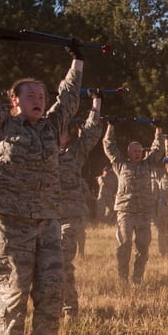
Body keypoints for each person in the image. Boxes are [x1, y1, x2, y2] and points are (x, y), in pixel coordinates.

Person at [0, 31, 81, 335]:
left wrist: (78, 60)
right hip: (7, 222)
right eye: (30, 94)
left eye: (42, 95)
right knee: (13, 293)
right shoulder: (2, 123)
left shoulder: (51, 127)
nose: (38, 99)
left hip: (46, 223)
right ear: (14, 100)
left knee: (52, 294)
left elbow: (69, 98)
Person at [57, 98, 103, 318]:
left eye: (62, 132)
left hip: (69, 217)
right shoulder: (37, 153)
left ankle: (69, 309)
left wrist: (96, 103)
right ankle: (50, 308)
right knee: (44, 267)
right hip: (42, 217)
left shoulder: (73, 154)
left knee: (63, 261)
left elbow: (91, 133)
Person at [103, 122, 164, 284]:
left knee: (143, 246)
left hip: (144, 213)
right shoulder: (121, 165)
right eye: (134, 151)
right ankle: (123, 278)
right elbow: (109, 147)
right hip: (126, 212)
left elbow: (158, 150)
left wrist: (158, 130)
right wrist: (111, 127)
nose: (137, 154)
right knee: (125, 244)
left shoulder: (148, 164)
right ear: (128, 152)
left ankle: (137, 278)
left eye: (139, 151)